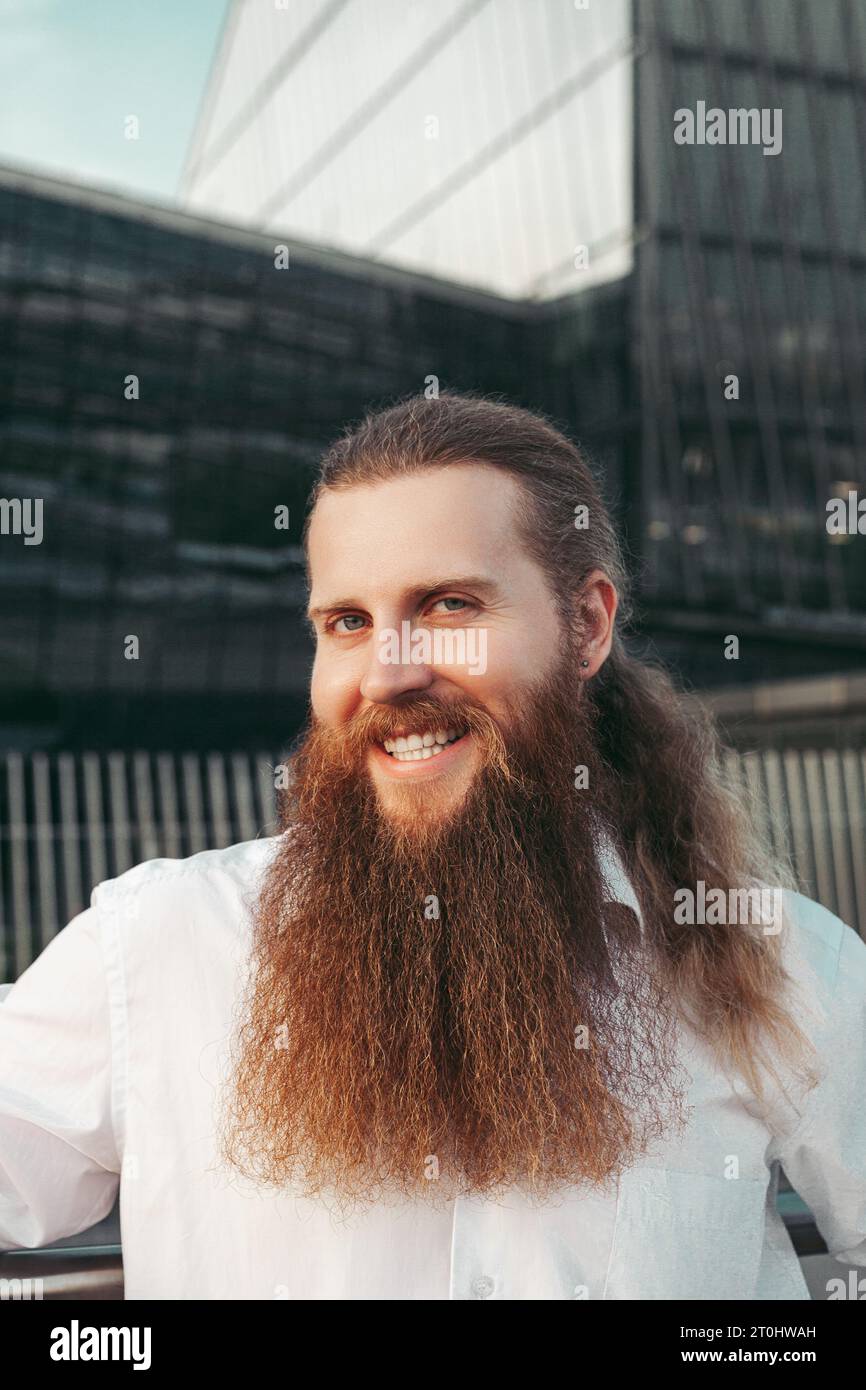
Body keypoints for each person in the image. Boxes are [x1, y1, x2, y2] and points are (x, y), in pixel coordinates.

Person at [1, 392, 864, 1300]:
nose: (388, 670)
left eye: (449, 604)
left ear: (589, 627)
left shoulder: (775, 965)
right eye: (347, 622)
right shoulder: (156, 947)